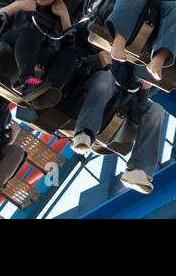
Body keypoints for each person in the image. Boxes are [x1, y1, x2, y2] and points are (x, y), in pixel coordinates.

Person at [68, 51, 165, 194]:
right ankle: (84, 133)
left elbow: (140, 102)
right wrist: (98, 58)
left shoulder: (146, 60)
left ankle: (138, 169)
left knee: (156, 110)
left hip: (124, 101)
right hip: (97, 84)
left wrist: (144, 90)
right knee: (105, 78)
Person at [0, 0, 78, 93]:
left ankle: (47, 91)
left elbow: (69, 47)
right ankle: (28, 80)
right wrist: (16, 6)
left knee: (70, 57)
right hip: (10, 40)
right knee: (30, 33)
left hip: (37, 56)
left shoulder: (55, 16)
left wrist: (64, 16)